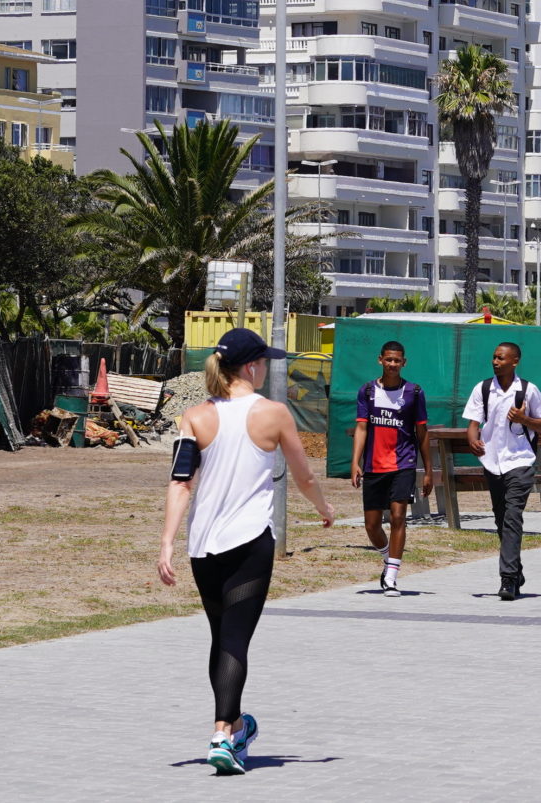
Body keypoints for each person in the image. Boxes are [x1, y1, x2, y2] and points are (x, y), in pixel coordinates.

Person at [157, 326, 336, 775]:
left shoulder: (195, 416)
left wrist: (167, 544)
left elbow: (181, 483)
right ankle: (222, 733)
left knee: (222, 638)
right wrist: (324, 508)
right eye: (265, 362)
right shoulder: (273, 413)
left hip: (204, 547)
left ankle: (236, 725)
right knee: (236, 639)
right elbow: (304, 475)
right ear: (252, 367)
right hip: (251, 542)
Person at [463, 340, 541, 601]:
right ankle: (516, 570)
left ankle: (508, 580)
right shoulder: (484, 388)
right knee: (501, 519)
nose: (495, 362)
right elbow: (473, 423)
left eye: (501, 358)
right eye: (494, 357)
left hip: (519, 461)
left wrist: (525, 419)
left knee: (513, 517)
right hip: (492, 461)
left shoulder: (528, 390)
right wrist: (472, 439)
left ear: (514, 361)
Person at [349, 338, 429, 594]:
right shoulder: (367, 391)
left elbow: (422, 433)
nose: (393, 364)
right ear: (380, 360)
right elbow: (362, 428)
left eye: (397, 360)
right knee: (372, 525)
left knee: (397, 517)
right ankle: (388, 558)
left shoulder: (414, 393)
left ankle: (392, 575)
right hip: (374, 465)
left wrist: (427, 471)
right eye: (389, 360)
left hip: (403, 463)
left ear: (404, 363)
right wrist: (355, 462)